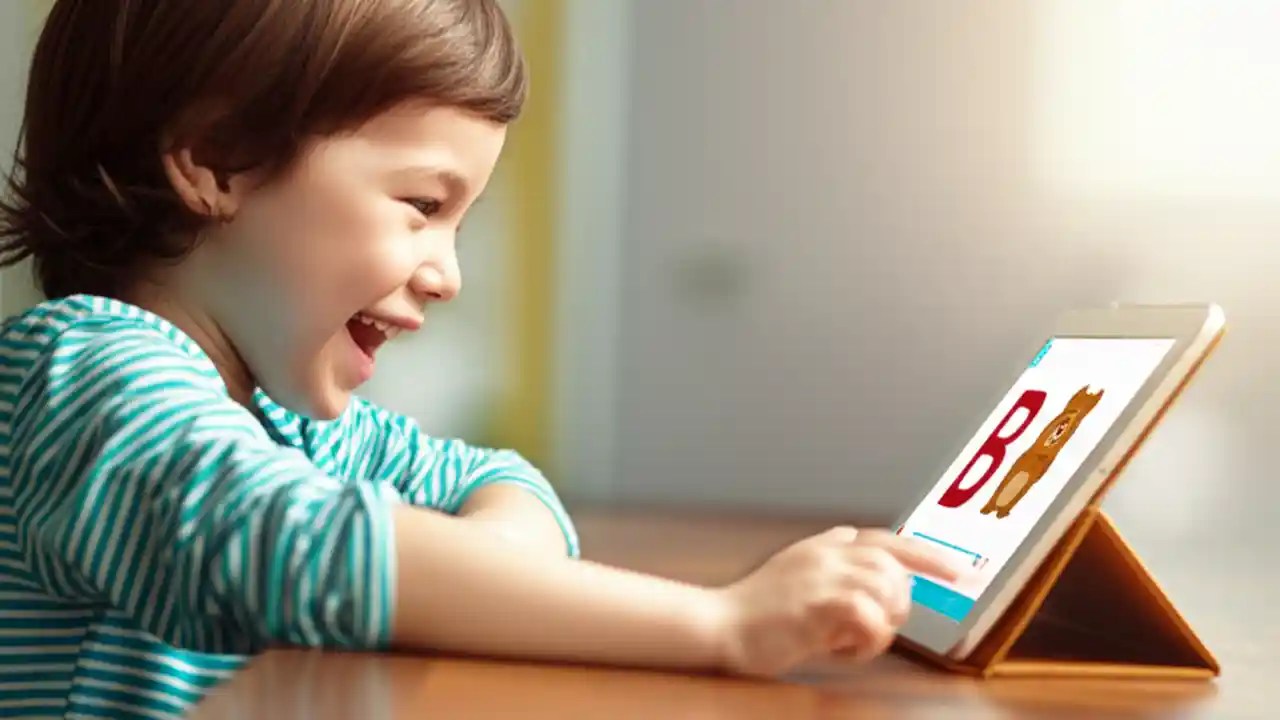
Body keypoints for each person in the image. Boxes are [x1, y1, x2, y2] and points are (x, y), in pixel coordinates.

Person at [0, 1, 962, 717]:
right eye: (422, 205)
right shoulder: (85, 375)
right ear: (216, 163)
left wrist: (463, 560)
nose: (447, 273)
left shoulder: (279, 414)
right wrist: (722, 627)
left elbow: (502, 481)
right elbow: (291, 553)